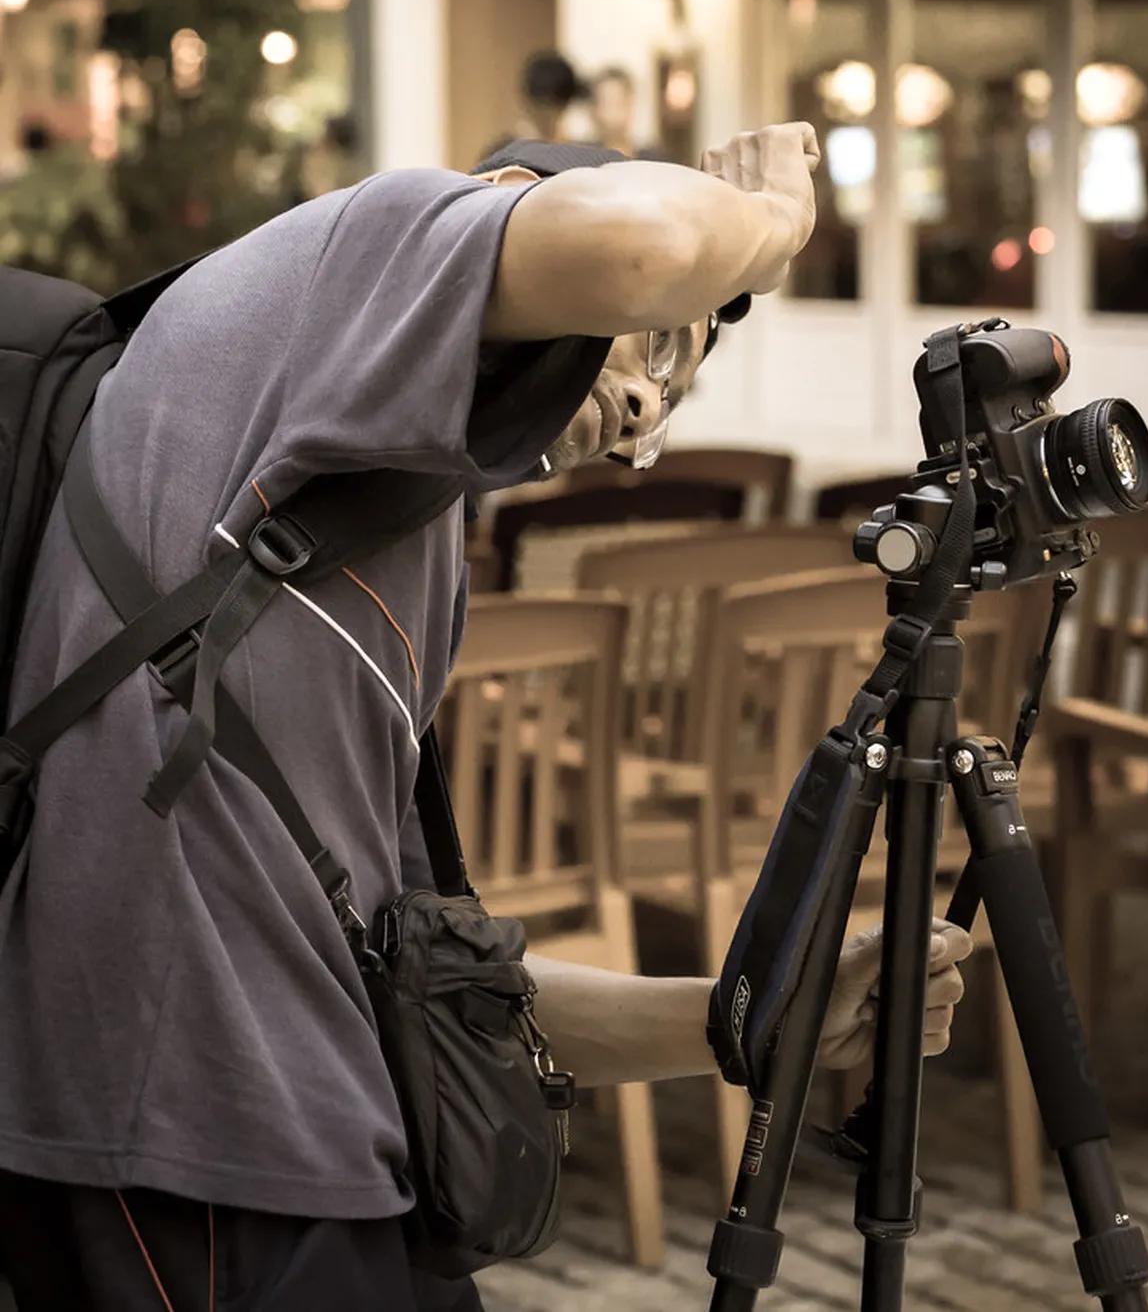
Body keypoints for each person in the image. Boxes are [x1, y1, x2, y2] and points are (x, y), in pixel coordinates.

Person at [0, 124, 971, 1309]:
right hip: (190, 1134)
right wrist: (769, 229)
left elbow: (414, 963)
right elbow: (638, 240)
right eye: (658, 342)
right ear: (519, 203)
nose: (641, 413)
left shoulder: (405, 527)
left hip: (326, 1140)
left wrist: (750, 1021)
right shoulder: (373, 241)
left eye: (674, 390)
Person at [588, 64, 663, 160]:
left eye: (619, 102)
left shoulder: (652, 159)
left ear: (631, 103)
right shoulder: (582, 161)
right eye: (608, 103)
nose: (614, 113)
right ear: (595, 110)